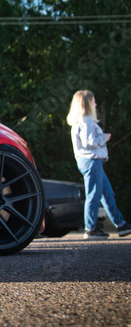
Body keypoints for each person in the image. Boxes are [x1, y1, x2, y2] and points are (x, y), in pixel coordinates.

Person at [66, 90, 130, 239]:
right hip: (91, 161)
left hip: (91, 161)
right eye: (93, 101)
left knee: (107, 193)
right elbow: (89, 142)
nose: (95, 104)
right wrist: (104, 138)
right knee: (94, 194)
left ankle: (120, 224)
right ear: (87, 104)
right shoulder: (86, 121)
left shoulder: (81, 121)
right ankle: (90, 229)